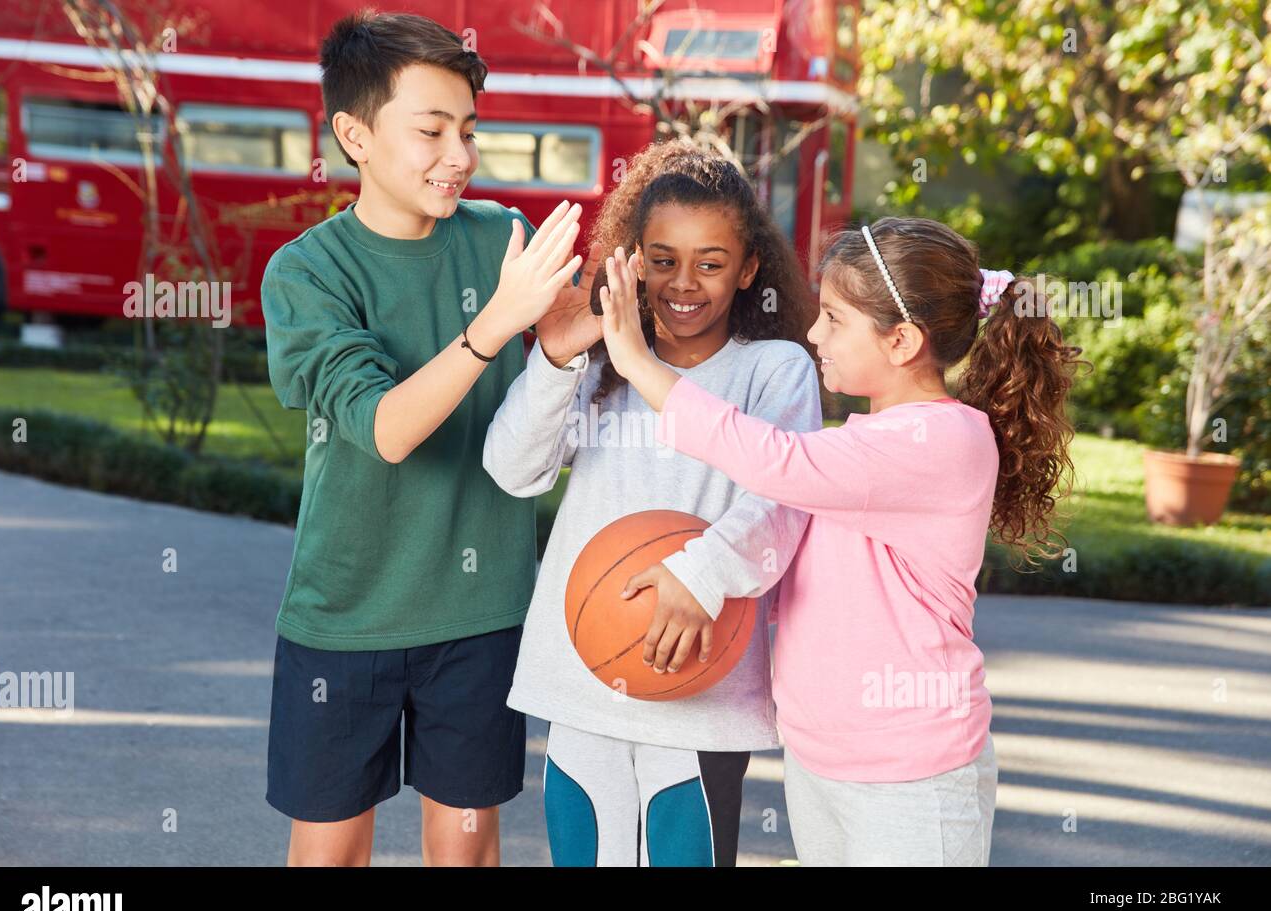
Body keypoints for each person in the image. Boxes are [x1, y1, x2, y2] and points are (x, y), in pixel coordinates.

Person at [597, 216, 1085, 865]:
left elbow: (772, 462)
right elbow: (777, 506)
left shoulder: (941, 441)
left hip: (912, 774)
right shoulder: (868, 441)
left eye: (833, 317)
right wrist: (702, 573)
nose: (812, 332)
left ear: (903, 339)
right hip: (822, 759)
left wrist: (636, 362)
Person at [261, 10, 594, 866]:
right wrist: (496, 324)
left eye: (471, 130)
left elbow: (560, 391)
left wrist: (562, 343)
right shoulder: (306, 272)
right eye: (432, 130)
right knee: (329, 854)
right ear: (355, 135)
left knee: (467, 852)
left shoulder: (502, 240)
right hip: (346, 613)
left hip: (480, 614)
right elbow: (383, 428)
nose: (461, 155)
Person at [484, 141, 823, 866]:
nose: (684, 283)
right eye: (663, 259)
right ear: (632, 259)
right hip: (583, 677)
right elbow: (513, 471)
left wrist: (700, 575)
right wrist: (552, 358)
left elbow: (784, 502)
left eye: (711, 261)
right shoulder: (601, 360)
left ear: (749, 267)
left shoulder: (773, 368)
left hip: (700, 685)